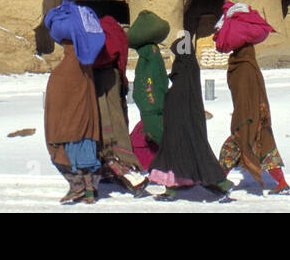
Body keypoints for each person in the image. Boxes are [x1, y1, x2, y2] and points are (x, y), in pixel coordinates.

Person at [213, 2, 289, 194]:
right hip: (257, 118)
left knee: (231, 150)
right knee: (266, 148)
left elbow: (245, 98)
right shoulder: (249, 64)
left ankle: (218, 182)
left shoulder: (244, 67)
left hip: (247, 119)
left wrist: (242, 120)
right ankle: (281, 184)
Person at [148, 31, 230, 200]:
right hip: (187, 122)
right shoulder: (190, 68)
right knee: (189, 152)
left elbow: (177, 94)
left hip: (180, 123)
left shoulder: (183, 68)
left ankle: (221, 183)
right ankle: (175, 187)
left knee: (184, 152)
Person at [43, 0, 106, 204]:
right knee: (88, 156)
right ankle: (90, 190)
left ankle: (77, 187)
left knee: (69, 155)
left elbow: (57, 103)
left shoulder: (63, 71)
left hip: (69, 128)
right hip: (87, 127)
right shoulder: (86, 68)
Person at [92, 14, 144, 194]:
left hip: (100, 82)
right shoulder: (116, 32)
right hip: (115, 78)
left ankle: (133, 179)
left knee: (108, 128)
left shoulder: (98, 34)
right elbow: (121, 58)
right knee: (117, 121)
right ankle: (108, 172)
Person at [126, 10, 169, 172]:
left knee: (159, 138)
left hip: (152, 108)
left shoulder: (148, 57)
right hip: (154, 108)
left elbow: (148, 84)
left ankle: (178, 172)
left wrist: (148, 104)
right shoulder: (152, 54)